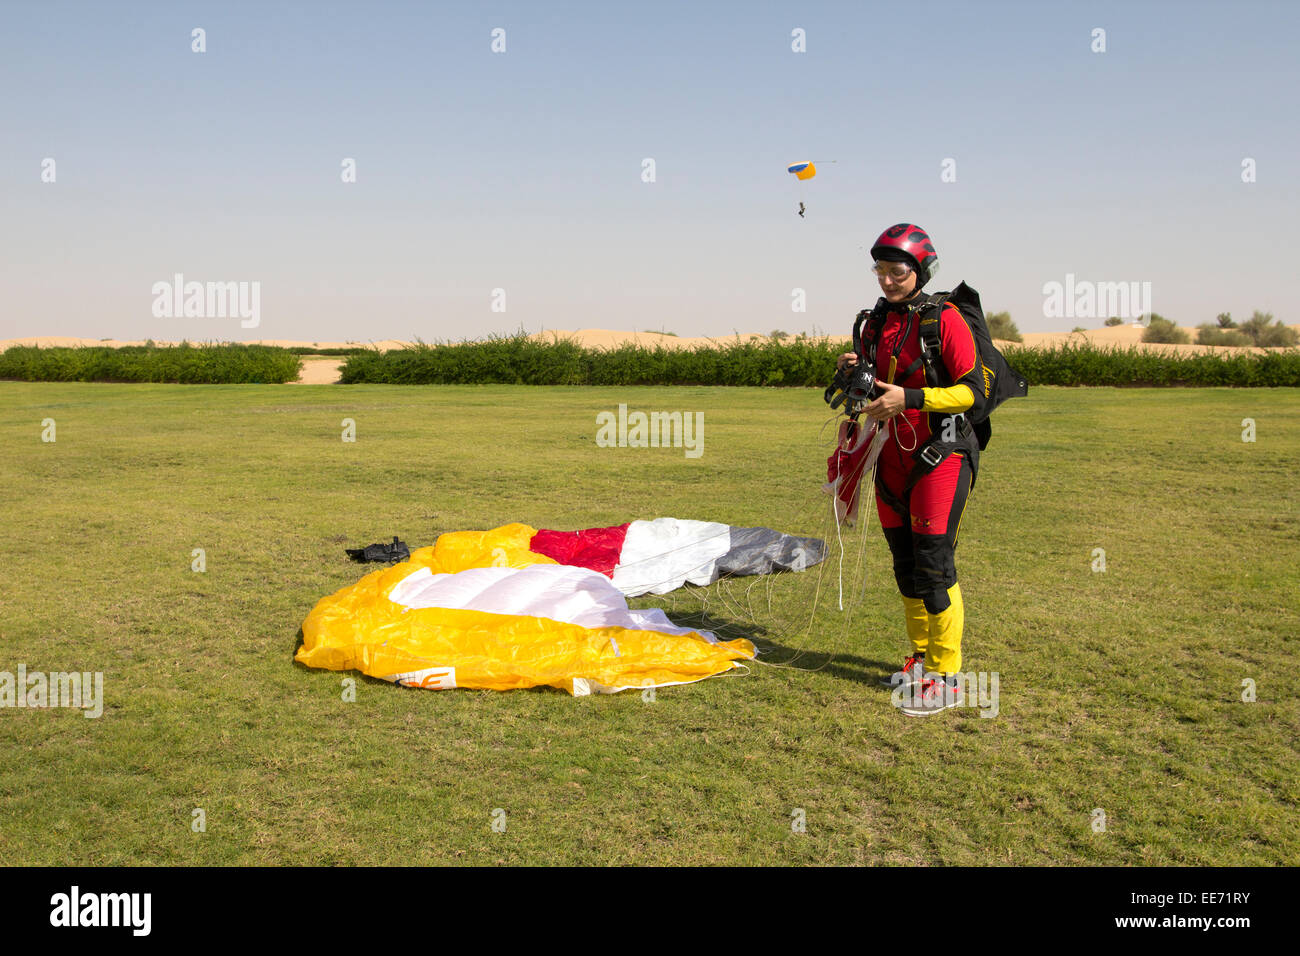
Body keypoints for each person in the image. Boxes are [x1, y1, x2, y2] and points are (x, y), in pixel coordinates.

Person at [836, 223, 985, 716]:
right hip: (890, 455)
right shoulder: (875, 322)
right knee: (904, 566)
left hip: (940, 453)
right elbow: (877, 381)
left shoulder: (943, 319)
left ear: (919, 270)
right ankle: (921, 659)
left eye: (897, 271)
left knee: (934, 568)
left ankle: (948, 674)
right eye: (880, 270)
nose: (887, 280)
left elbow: (971, 391)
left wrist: (912, 398)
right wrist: (853, 372)